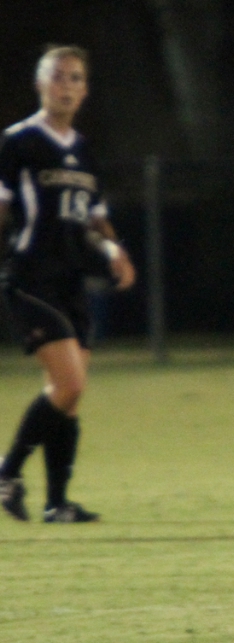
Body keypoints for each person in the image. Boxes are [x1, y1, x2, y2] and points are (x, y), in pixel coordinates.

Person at [0, 45, 136, 523]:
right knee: (69, 381)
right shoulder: (18, 141)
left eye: (76, 78)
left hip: (73, 279)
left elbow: (95, 219)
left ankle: (57, 502)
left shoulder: (83, 150)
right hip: (32, 277)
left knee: (70, 395)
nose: (66, 86)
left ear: (85, 89)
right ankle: (7, 471)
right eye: (58, 76)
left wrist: (115, 250)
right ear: (40, 84)